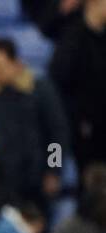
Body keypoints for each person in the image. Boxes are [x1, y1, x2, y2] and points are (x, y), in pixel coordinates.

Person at [0, 37, 70, 207]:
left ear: (15, 63)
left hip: (37, 173)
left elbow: (57, 133)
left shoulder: (40, 88)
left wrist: (54, 171)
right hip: (2, 175)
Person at [49, 0, 106, 175]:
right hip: (81, 124)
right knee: (88, 175)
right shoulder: (72, 37)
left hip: (102, 122)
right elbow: (59, 79)